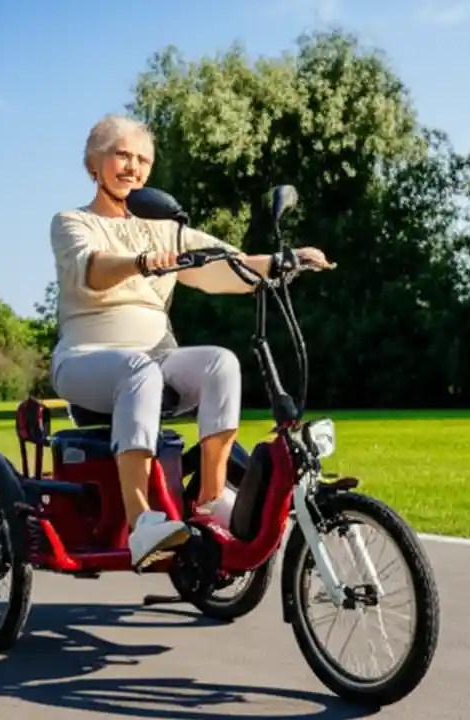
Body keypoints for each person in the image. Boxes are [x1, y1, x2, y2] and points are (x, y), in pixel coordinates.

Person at [48, 114, 332, 569]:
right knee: (137, 371)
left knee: (220, 362)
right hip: (86, 358)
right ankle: (144, 521)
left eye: (143, 160)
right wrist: (140, 262)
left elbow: (226, 263)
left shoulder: (164, 227)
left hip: (156, 361)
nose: (132, 167)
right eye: (121, 155)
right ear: (92, 164)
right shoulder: (71, 222)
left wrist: (285, 261)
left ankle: (210, 498)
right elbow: (93, 269)